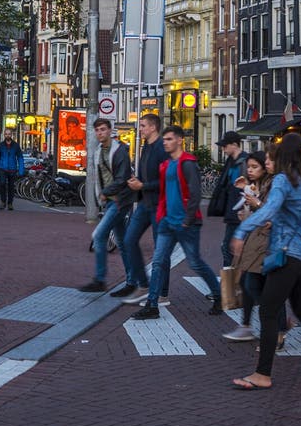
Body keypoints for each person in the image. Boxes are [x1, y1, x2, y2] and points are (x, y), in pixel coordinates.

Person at [231, 133, 301, 391]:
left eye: (276, 153)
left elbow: (269, 209)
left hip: (286, 254)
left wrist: (241, 231)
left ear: (284, 155)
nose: (271, 158)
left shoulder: (282, 180)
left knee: (268, 311)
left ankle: (262, 374)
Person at [131, 125, 222, 319]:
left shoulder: (188, 163)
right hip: (167, 222)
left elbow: (195, 193)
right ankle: (152, 305)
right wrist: (161, 216)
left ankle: (218, 295)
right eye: (164, 139)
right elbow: (164, 193)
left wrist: (187, 220)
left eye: (169, 139)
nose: (165, 143)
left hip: (185, 224)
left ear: (180, 140)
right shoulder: (166, 165)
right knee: (158, 262)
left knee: (195, 263)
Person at [223, 148, 291, 348]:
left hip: (266, 242)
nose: (250, 170)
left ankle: (276, 329)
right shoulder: (263, 184)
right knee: (252, 284)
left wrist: (256, 203)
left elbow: (273, 212)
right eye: (249, 167)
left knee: (257, 286)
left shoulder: (277, 183)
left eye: (255, 166)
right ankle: (269, 327)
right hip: (256, 240)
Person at [110, 114, 171, 306]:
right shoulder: (146, 146)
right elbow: (145, 176)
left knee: (160, 249)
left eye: (143, 125)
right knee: (128, 240)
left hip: (159, 205)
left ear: (153, 127)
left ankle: (163, 293)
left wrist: (142, 185)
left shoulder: (162, 148)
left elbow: (166, 181)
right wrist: (136, 183)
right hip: (145, 203)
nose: (141, 129)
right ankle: (144, 285)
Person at [79, 118, 133, 293]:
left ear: (110, 130)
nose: (100, 133)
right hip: (110, 201)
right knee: (122, 242)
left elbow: (122, 178)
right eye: (97, 130)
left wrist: (105, 192)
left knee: (99, 235)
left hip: (119, 201)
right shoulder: (98, 151)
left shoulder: (120, 151)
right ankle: (132, 281)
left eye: (103, 129)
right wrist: (101, 196)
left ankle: (100, 280)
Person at [216, 131, 249, 267]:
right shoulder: (231, 162)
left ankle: (230, 276)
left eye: (225, 146)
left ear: (234, 145)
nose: (223, 149)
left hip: (239, 211)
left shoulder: (244, 162)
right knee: (231, 247)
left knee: (228, 247)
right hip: (232, 210)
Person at [0, 130, 25, 210]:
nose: (7, 135)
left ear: (11, 135)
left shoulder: (16, 145)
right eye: (6, 134)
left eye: (9, 134)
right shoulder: (0, 145)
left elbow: (20, 158)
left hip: (12, 169)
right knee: (2, 184)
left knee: (11, 187)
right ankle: (3, 202)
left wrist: (21, 170)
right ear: (4, 135)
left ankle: (10, 203)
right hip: (2, 168)